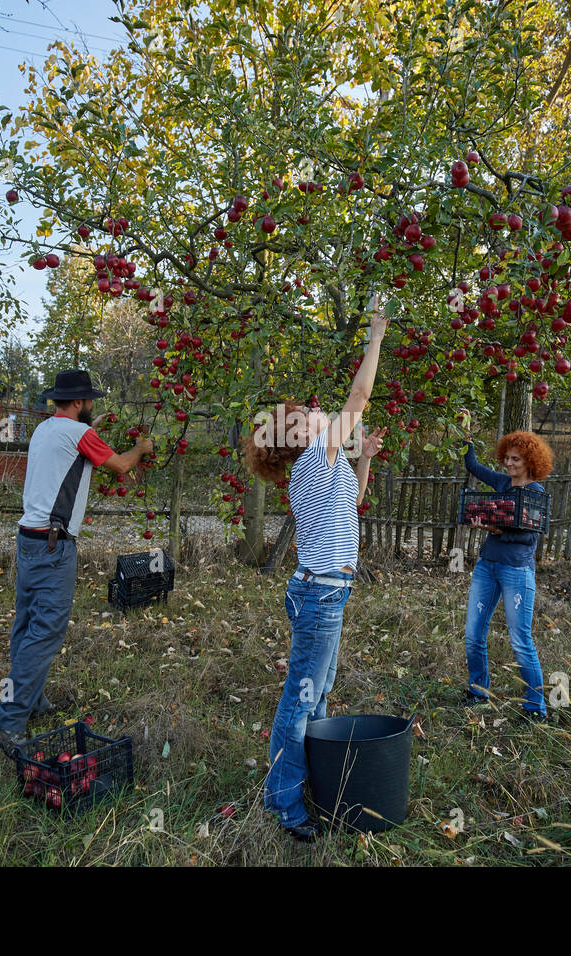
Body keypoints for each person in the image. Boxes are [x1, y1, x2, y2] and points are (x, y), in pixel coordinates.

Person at [241, 295, 389, 843]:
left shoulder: (324, 469)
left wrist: (365, 457)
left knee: (318, 691)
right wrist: (374, 337)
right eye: (305, 417)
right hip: (321, 594)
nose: (315, 413)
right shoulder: (312, 458)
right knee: (301, 699)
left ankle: (311, 780)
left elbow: (350, 508)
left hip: (327, 591)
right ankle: (283, 801)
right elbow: (360, 394)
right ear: (295, 438)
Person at [0, 369, 153, 756]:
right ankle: (8, 719)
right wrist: (142, 448)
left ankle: (31, 698)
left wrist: (91, 428)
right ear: (79, 402)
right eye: (89, 401)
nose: (91, 405)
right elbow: (121, 466)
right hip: (54, 545)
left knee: (27, 621)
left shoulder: (46, 429)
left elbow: (74, 447)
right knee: (46, 630)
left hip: (29, 537)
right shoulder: (81, 435)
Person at [460, 418, 554, 720]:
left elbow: (529, 534)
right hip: (487, 565)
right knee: (473, 633)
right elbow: (473, 465)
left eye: (516, 459)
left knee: (520, 639)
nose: (509, 463)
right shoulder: (502, 483)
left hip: (517, 571)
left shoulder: (535, 492)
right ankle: (479, 691)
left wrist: (496, 529)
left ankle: (535, 707)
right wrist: (467, 434)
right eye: (507, 458)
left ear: (530, 460)